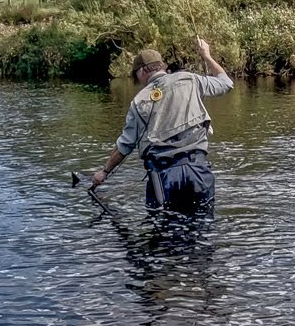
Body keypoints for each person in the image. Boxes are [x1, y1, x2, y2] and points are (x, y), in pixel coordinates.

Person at [90, 37, 233, 216]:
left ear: (142, 71)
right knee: (202, 225)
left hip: (163, 178)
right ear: (161, 66)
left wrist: (104, 172)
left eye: (136, 75)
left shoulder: (139, 101)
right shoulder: (191, 80)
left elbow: (124, 146)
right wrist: (207, 56)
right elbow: (226, 83)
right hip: (197, 171)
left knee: (164, 227)